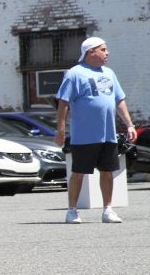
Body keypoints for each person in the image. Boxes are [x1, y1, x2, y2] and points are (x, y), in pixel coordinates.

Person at [55, 37, 137, 224]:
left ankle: (108, 209)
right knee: (79, 172)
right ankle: (72, 211)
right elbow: (63, 102)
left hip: (107, 134)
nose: (107, 53)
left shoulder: (109, 73)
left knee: (108, 172)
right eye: (103, 49)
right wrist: (60, 130)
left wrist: (129, 124)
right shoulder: (75, 73)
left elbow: (119, 100)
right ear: (91, 52)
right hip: (84, 135)